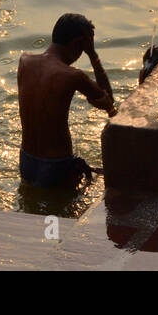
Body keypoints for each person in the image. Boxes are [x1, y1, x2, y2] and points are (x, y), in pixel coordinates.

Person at [17, 13, 116, 188]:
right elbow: (108, 101)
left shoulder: (25, 61)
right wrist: (93, 56)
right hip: (56, 165)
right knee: (64, 214)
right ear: (79, 44)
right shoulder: (73, 76)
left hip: (26, 161)